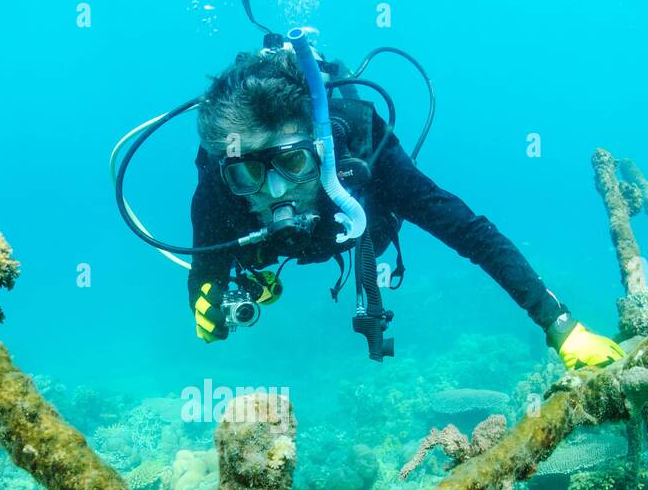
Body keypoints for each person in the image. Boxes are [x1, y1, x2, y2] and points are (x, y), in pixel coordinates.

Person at [188, 46, 624, 371]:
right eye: (249, 173)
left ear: (321, 146)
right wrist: (209, 308)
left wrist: (561, 325)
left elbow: (470, 233)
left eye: (293, 161)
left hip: (361, 219)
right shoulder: (218, 183)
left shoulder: (362, 150)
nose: (276, 191)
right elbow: (204, 272)